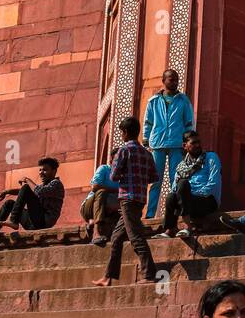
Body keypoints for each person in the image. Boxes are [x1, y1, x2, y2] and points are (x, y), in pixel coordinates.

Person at [94, 116, 159, 287]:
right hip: (140, 199)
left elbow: (114, 175)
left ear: (125, 132)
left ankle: (149, 273)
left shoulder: (124, 151)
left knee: (135, 236)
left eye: (122, 132)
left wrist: (125, 174)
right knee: (116, 237)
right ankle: (108, 276)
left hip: (127, 198)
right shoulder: (147, 153)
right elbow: (154, 177)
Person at [142, 69, 196, 219]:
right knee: (155, 181)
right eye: (171, 79)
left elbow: (189, 123)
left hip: (177, 144)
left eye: (176, 79)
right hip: (157, 143)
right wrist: (146, 139)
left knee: (176, 179)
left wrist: (187, 143)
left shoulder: (183, 100)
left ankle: (174, 213)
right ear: (163, 80)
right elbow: (148, 122)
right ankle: (151, 214)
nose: (174, 82)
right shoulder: (153, 101)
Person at [154, 129, 222, 239]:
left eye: (199, 142)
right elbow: (174, 190)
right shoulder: (181, 166)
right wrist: (185, 196)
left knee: (183, 184)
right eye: (193, 143)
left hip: (207, 201)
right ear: (185, 146)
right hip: (187, 202)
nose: (198, 145)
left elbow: (214, 184)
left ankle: (187, 226)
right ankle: (169, 229)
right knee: (171, 196)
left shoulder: (211, 158)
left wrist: (191, 194)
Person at [0, 157, 64, 240]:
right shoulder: (44, 186)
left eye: (45, 170)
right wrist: (8, 191)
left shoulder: (56, 184)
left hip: (43, 222)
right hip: (32, 223)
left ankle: (13, 221)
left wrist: (27, 180)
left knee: (27, 187)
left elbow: (39, 192)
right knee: (9, 203)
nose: (41, 173)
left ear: (54, 171)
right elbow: (24, 191)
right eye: (40, 170)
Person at [82, 162, 121, 247]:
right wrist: (117, 191)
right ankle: (96, 232)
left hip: (108, 210)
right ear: (111, 160)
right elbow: (95, 187)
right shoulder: (104, 169)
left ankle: (92, 223)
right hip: (89, 208)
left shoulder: (123, 176)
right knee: (102, 192)